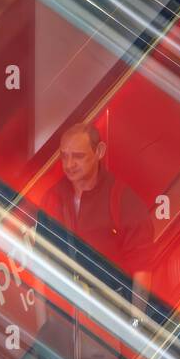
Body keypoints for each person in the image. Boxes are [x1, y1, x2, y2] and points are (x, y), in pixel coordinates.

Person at [39, 122, 154, 315]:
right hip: (62, 312)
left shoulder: (123, 200)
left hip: (107, 311)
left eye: (78, 156)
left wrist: (136, 323)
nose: (69, 164)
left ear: (99, 151)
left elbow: (142, 270)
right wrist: (42, 321)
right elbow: (41, 261)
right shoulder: (52, 198)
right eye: (64, 156)